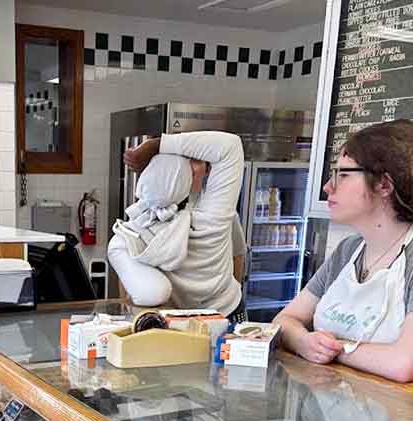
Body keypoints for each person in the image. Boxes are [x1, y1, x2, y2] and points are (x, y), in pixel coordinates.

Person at [275, 119, 413, 383]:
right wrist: (303, 340)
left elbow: (403, 364)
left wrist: (334, 348)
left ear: (384, 185)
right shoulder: (348, 250)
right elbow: (285, 319)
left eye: (344, 175)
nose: (328, 186)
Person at [108, 130, 245, 320]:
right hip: (172, 319)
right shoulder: (144, 220)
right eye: (188, 161)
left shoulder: (220, 212)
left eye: (199, 160)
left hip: (223, 312)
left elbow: (237, 258)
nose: (200, 168)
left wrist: (223, 294)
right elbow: (128, 280)